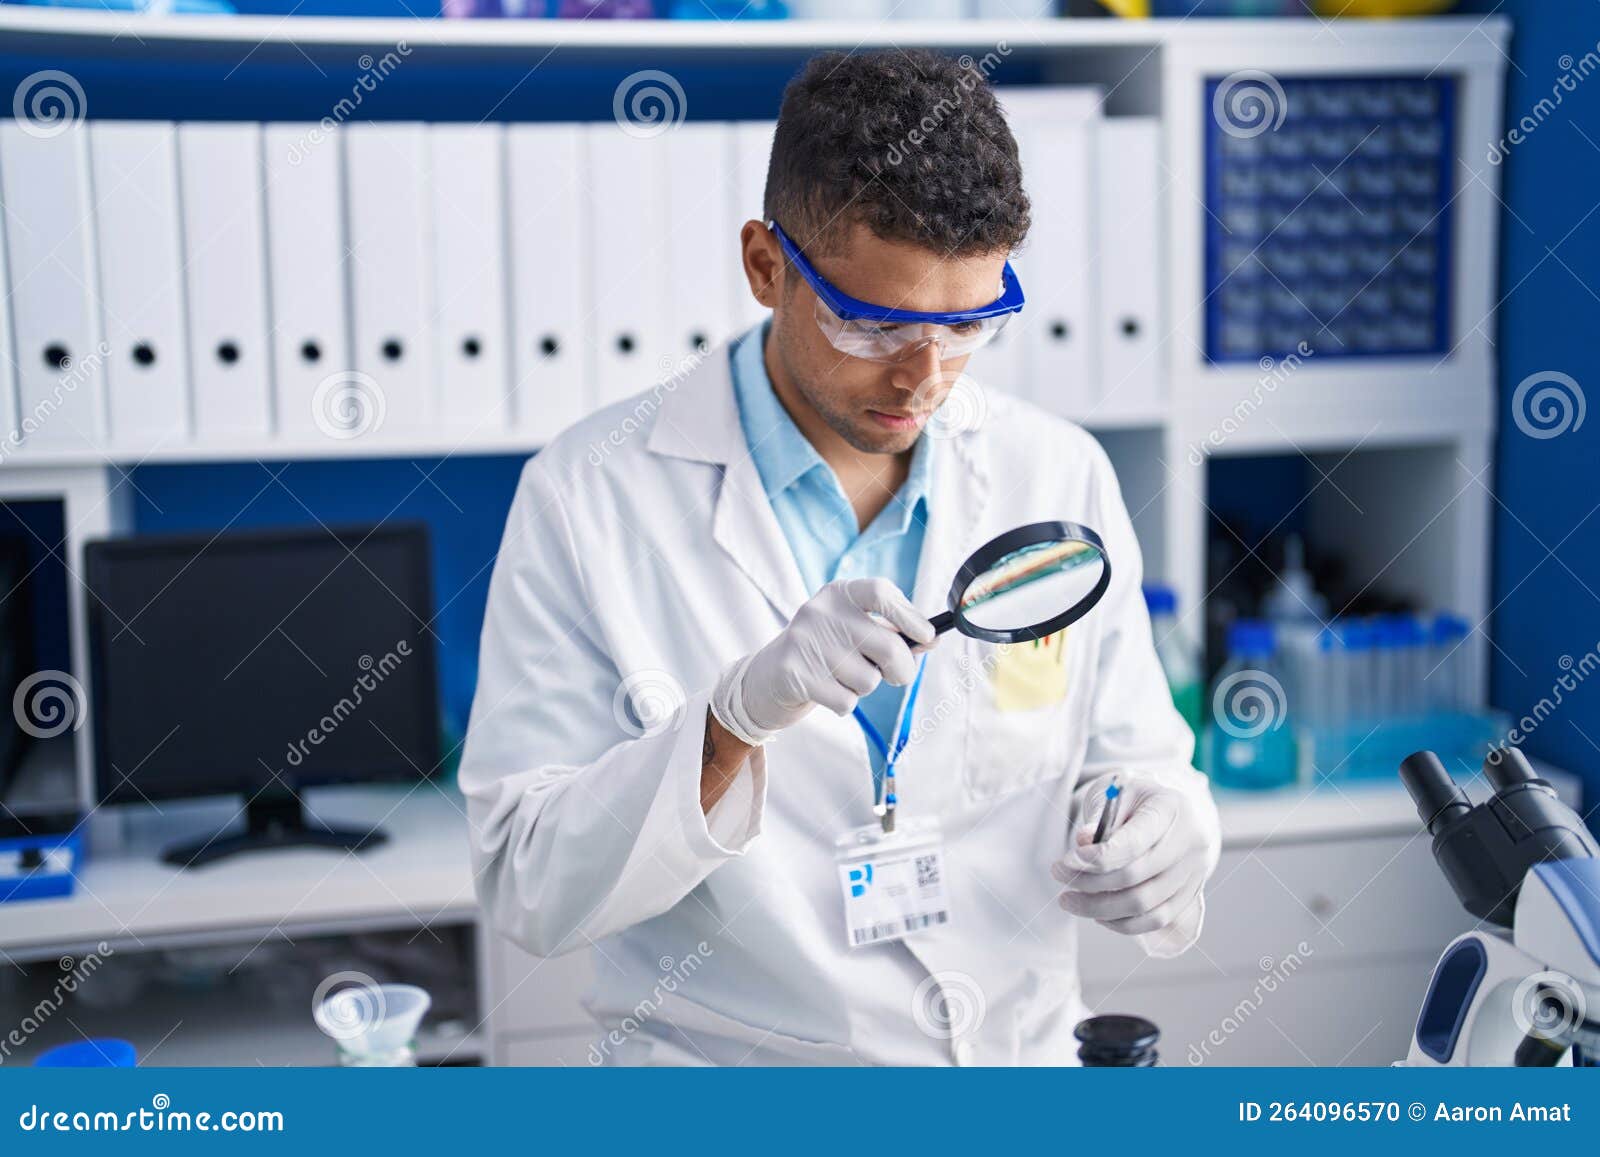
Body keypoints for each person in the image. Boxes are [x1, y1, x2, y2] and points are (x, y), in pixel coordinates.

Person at [459, 48, 1220, 1066]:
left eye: (967, 324)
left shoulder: (1055, 472)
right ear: (766, 266)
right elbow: (530, 883)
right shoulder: (588, 491)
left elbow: (1138, 759)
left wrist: (1164, 832)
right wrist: (732, 722)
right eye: (871, 323)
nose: (923, 377)